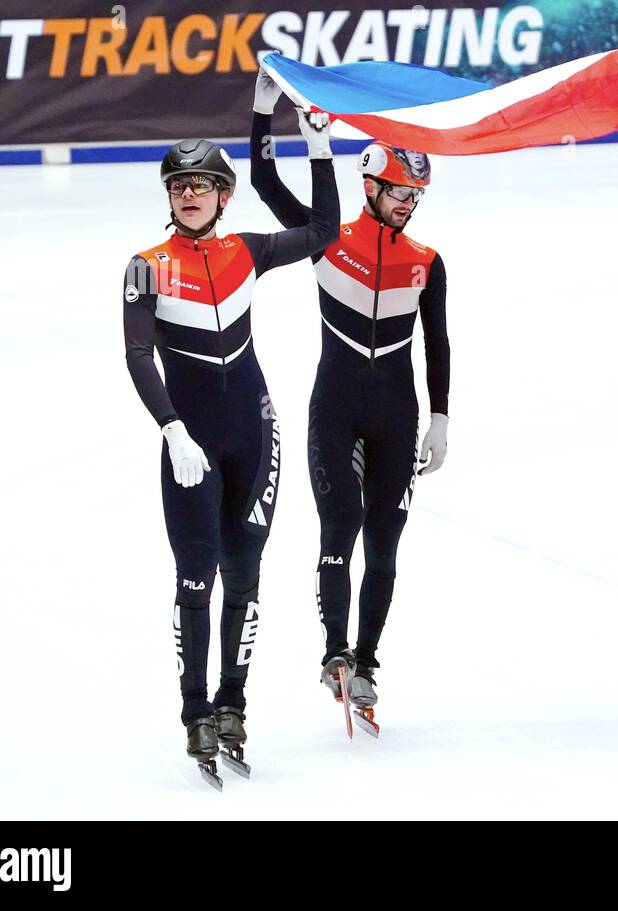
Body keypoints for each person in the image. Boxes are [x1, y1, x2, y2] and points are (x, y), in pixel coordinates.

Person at [123, 111, 338, 781]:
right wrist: (171, 427)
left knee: (245, 573)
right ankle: (195, 711)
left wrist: (319, 144)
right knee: (196, 576)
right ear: (169, 196)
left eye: (202, 183)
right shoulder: (145, 267)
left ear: (223, 195)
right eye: (179, 184)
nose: (189, 193)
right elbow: (136, 355)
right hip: (190, 438)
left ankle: (232, 704)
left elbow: (326, 232)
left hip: (254, 430)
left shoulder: (248, 249)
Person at [249, 72, 451, 720]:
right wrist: (265, 109)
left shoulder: (428, 260)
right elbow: (261, 179)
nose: (408, 204)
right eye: (400, 192)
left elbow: (438, 343)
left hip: (397, 413)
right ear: (370, 185)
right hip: (334, 407)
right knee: (340, 529)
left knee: (386, 545)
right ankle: (333, 649)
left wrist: (440, 418)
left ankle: (365, 662)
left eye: (416, 194)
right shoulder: (325, 237)